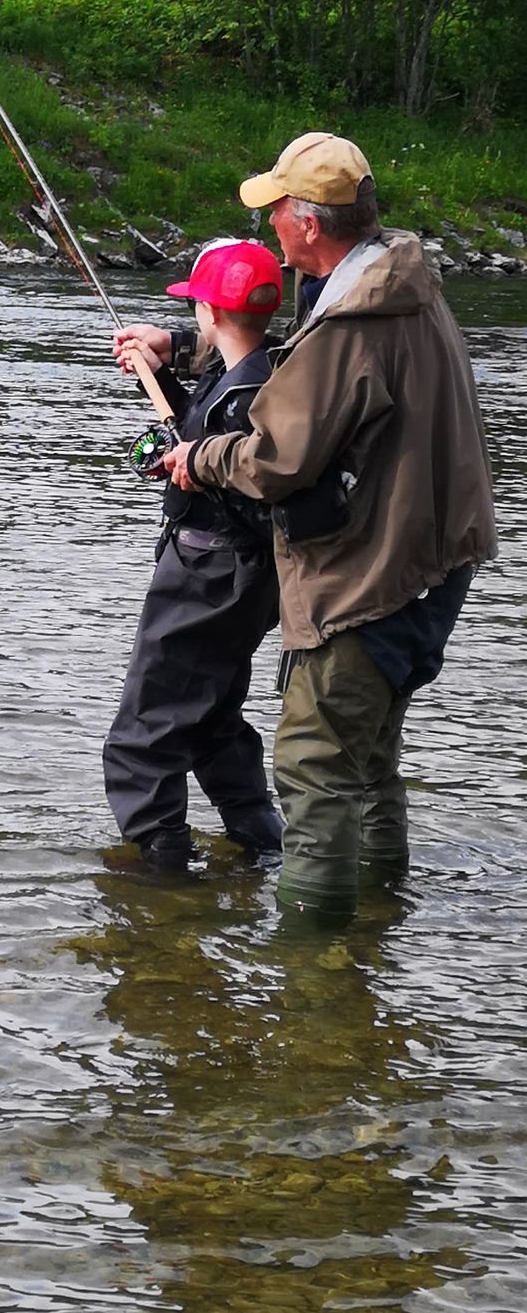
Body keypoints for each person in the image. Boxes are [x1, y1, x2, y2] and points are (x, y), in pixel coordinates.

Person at [160, 132, 497, 918]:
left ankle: (311, 982)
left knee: (314, 772)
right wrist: (184, 345)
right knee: (369, 764)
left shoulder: (353, 321)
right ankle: (375, 932)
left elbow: (277, 457)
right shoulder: (396, 278)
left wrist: (198, 459)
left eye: (276, 209)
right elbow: (308, 378)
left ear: (309, 224)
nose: (270, 223)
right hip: (437, 561)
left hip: (374, 575)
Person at [106, 239, 286, 871]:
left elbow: (227, 474)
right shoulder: (271, 377)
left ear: (209, 313)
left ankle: (164, 885)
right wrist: (163, 378)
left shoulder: (240, 395)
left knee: (142, 738)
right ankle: (266, 845)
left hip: (208, 574)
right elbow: (207, 431)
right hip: (248, 580)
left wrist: (188, 466)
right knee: (211, 717)